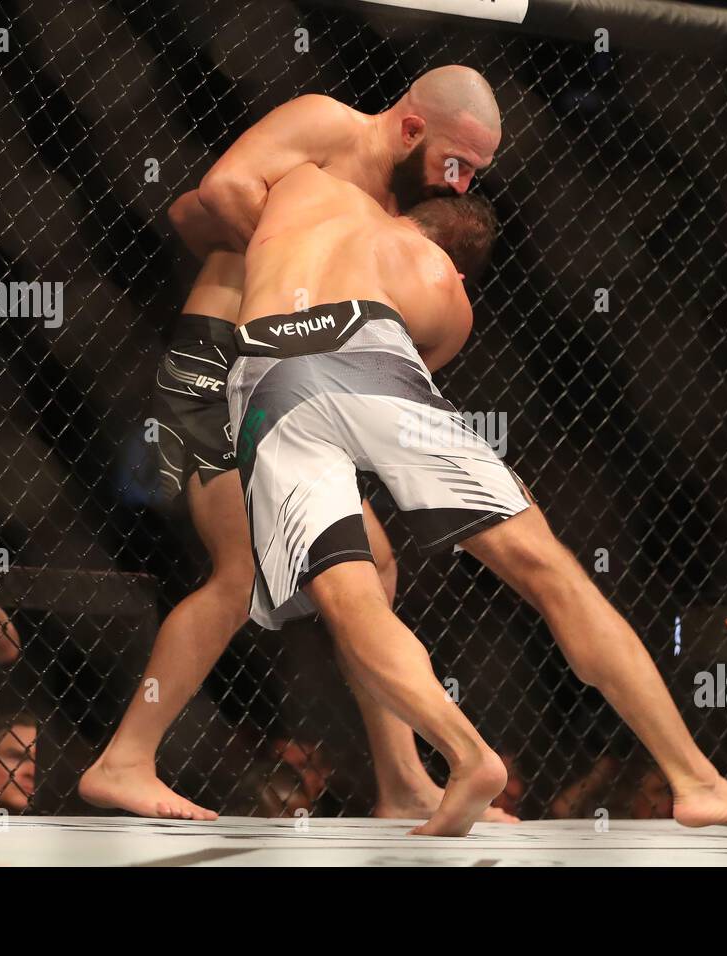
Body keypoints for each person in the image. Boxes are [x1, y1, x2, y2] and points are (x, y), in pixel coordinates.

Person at [222, 161, 727, 838]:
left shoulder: (314, 191)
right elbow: (395, 384)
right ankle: (696, 779)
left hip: (266, 370)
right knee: (549, 570)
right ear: (460, 269)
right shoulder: (445, 290)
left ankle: (464, 754)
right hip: (375, 347)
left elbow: (225, 194)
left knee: (350, 599)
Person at [80, 65, 512, 822]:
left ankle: (403, 780)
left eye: (475, 174)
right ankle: (125, 759)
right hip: (223, 365)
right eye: (458, 164)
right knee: (243, 566)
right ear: (414, 127)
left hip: (282, 380)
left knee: (369, 565)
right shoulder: (329, 126)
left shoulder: (391, 209)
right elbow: (215, 192)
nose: (462, 184)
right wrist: (302, 283)